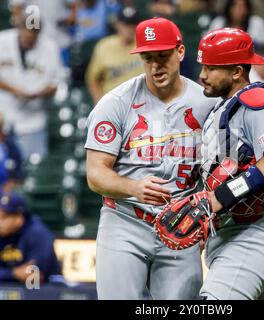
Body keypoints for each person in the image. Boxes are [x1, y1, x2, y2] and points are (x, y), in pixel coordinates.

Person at [84, 17, 218, 299]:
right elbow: (95, 174)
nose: (156, 64)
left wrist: (208, 216)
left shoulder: (207, 104)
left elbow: (220, 170)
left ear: (180, 52)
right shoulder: (115, 102)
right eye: (148, 57)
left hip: (181, 226)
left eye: (163, 55)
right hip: (125, 222)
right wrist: (133, 187)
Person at [195, 28, 264, 299]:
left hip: (253, 238)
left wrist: (221, 196)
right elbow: (237, 169)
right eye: (203, 66)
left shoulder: (259, 103)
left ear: (237, 71)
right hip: (229, 237)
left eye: (212, 68)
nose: (202, 74)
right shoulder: (224, 109)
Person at [0, 15, 64, 160]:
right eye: (26, 36)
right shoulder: (2, 40)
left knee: (33, 165)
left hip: (33, 118)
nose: (28, 40)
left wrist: (39, 93)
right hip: (2, 113)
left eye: (32, 38)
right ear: (19, 28)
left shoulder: (50, 47)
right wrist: (13, 90)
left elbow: (57, 82)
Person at [0, 190, 62, 283]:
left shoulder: (38, 234)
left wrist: (8, 274)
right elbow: (20, 274)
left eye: (3, 218)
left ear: (19, 219)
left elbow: (35, 275)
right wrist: (14, 273)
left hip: (45, 290)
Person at [86, 6, 144, 104]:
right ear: (118, 25)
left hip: (141, 102)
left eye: (133, 24)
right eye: (126, 24)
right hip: (114, 105)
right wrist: (100, 105)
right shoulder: (104, 46)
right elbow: (92, 79)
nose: (130, 28)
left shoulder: (143, 44)